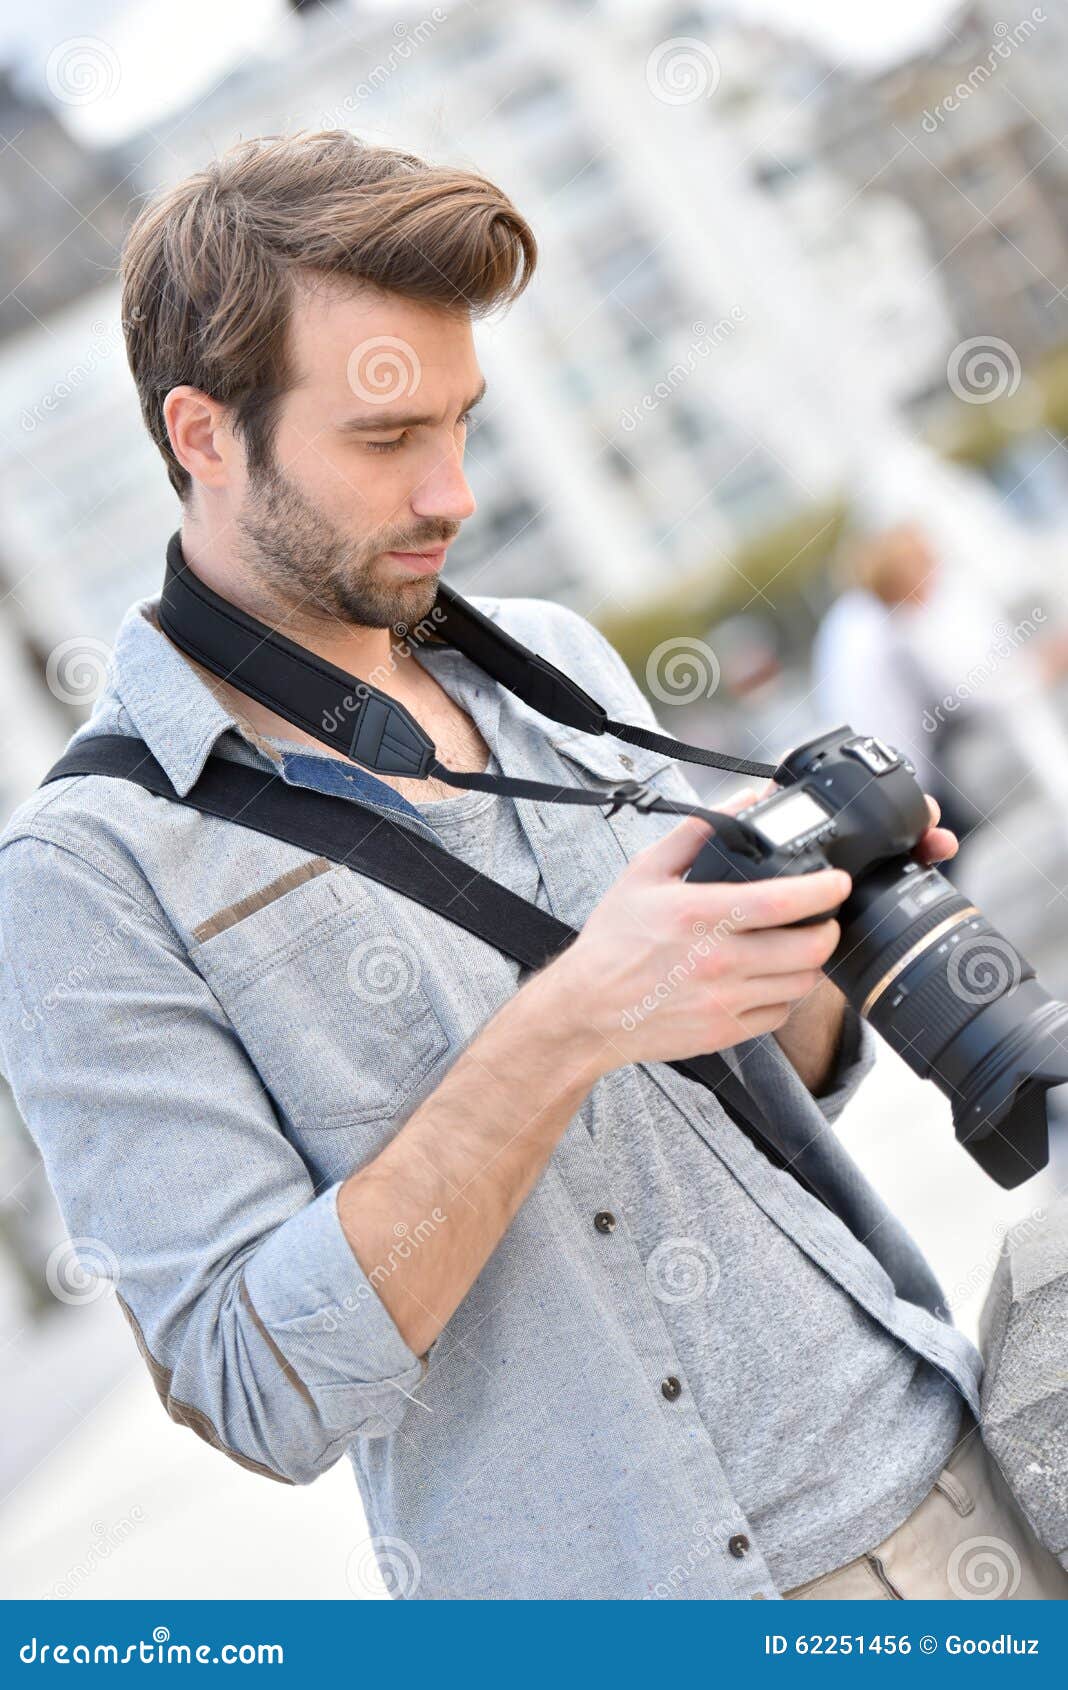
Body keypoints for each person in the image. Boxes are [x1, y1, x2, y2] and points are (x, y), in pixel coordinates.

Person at [1, 132, 1063, 1602]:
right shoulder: (83, 873)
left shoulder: (552, 662)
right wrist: (569, 1023)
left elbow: (772, 1077)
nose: (454, 492)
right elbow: (254, 1384)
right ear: (202, 432)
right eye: (385, 440)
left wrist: (824, 935)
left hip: (952, 1496)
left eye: (462, 423)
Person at [812, 521, 987, 852]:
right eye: (928, 566)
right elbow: (964, 691)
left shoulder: (848, 618)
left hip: (868, 782)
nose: (935, 579)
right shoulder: (890, 625)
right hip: (904, 783)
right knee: (955, 852)